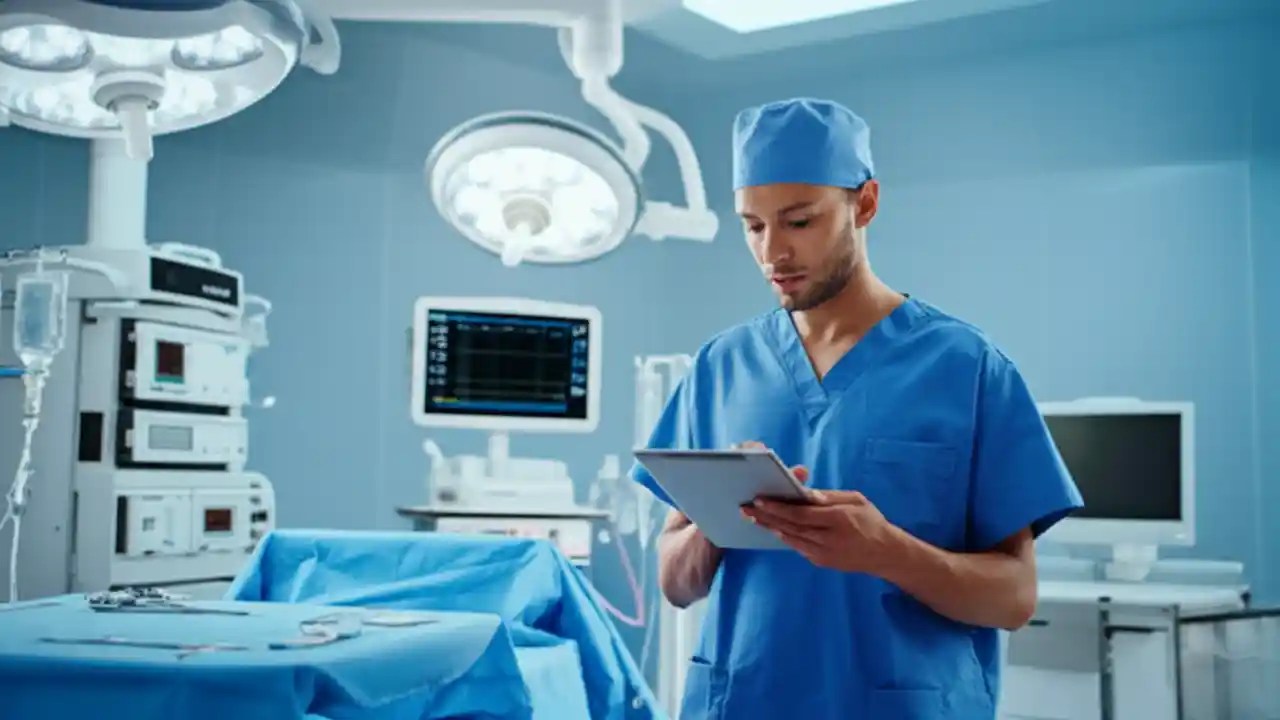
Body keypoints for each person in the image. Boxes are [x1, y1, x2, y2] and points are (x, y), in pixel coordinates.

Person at [630, 97, 1085, 719]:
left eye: (799, 221)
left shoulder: (966, 368)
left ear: (864, 203)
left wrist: (885, 551)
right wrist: (722, 520)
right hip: (745, 702)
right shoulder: (721, 366)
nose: (773, 253)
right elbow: (675, 584)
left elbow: (1014, 599)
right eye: (753, 225)